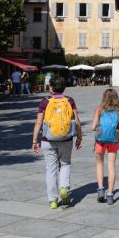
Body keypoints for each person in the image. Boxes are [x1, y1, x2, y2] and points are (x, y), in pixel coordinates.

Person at [31, 79, 83, 209]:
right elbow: (77, 121)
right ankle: (64, 188)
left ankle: (53, 200)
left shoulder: (45, 101)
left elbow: (38, 122)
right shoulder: (69, 101)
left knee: (51, 169)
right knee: (65, 164)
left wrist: (35, 141)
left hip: (48, 140)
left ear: (52, 88)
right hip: (66, 139)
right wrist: (79, 137)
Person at [91, 88, 119, 206]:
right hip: (113, 141)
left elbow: (93, 127)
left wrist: (99, 127)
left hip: (100, 140)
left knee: (99, 163)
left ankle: (101, 189)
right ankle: (110, 194)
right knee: (111, 165)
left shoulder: (99, 110)